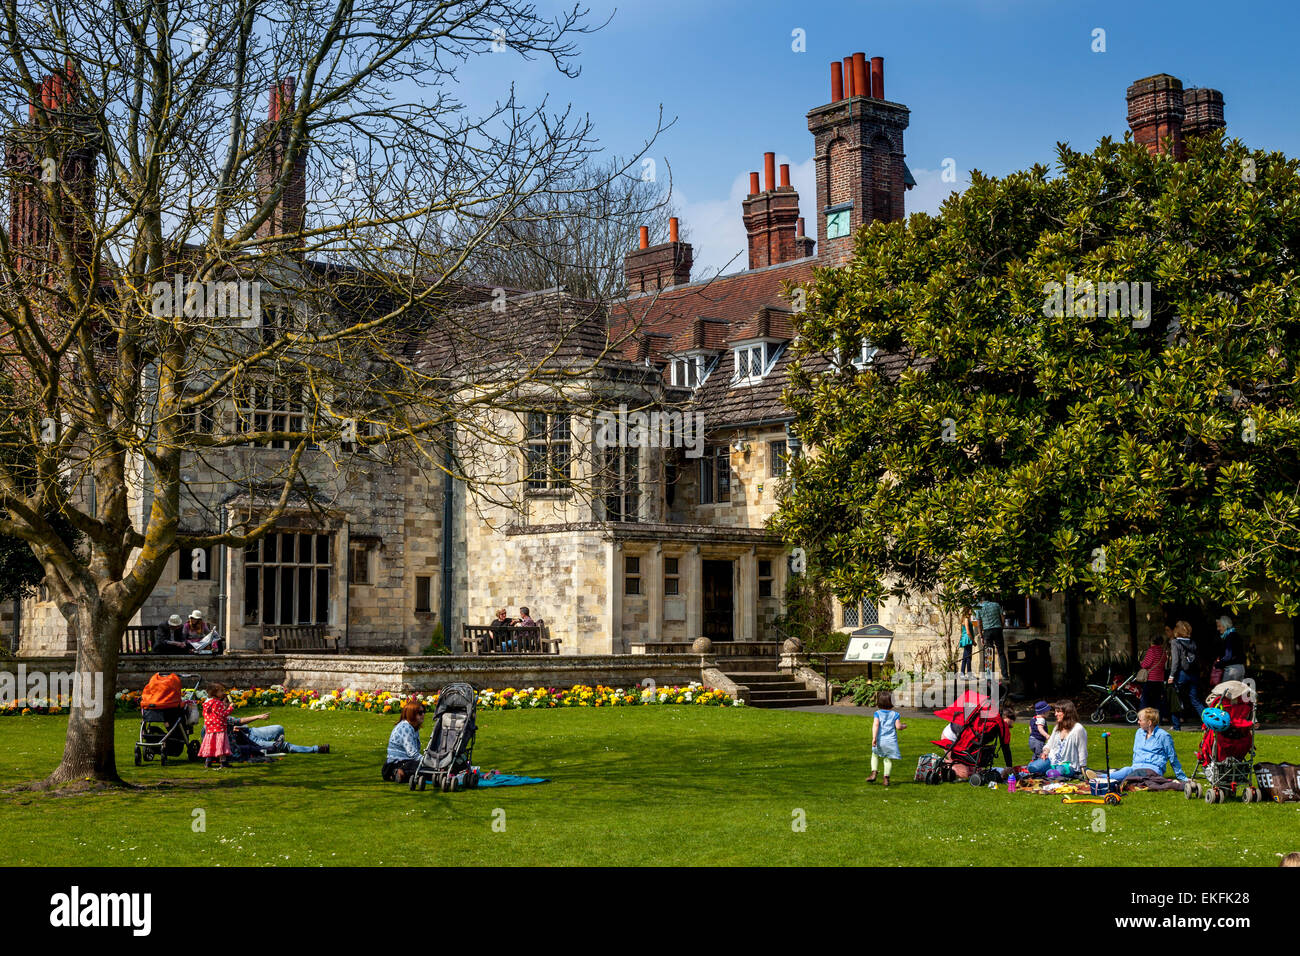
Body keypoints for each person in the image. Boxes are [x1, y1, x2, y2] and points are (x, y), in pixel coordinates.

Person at [1089, 708, 1186, 789]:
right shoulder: (1139, 733)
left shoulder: (1164, 736)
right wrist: (1134, 766)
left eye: (1140, 720)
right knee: (1127, 770)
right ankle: (1100, 777)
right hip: (1136, 767)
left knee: (1130, 773)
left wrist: (1182, 777)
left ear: (1149, 722)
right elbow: (1136, 752)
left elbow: (1172, 757)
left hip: (1152, 769)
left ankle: (1100, 777)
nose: (1138, 722)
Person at [1026, 700, 1088, 776]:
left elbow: (1082, 750)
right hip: (1052, 760)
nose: (1055, 714)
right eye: (1055, 712)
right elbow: (1050, 743)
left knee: (1053, 773)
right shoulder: (1057, 727)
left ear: (1067, 713)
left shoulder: (1078, 729)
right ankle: (1048, 769)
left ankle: (1049, 771)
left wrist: (1082, 767)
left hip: (1068, 764)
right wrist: (1045, 752)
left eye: (1058, 712)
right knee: (1032, 767)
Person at [868, 690, 906, 787]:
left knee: (875, 754)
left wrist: (874, 738)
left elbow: (876, 725)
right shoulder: (895, 714)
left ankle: (874, 772)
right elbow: (898, 727)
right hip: (890, 741)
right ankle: (886, 778)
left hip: (880, 740)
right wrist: (903, 726)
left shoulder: (877, 714)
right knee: (887, 759)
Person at [1167, 620, 1199, 731]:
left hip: (1181, 674)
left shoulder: (1175, 643)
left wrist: (1171, 676)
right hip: (1193, 674)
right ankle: (1208, 723)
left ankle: (1176, 726)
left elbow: (1175, 661)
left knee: (1175, 700)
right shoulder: (1192, 642)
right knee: (1195, 700)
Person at [383, 699, 425, 783]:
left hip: (399, 762)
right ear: (412, 714)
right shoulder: (406, 728)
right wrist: (427, 761)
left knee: (424, 767)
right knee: (426, 769)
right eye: (420, 713)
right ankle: (398, 773)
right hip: (398, 763)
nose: (423, 715)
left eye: (424, 712)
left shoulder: (413, 727)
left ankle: (398, 775)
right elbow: (412, 753)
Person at [239, 718, 330, 754]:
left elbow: (239, 721)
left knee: (279, 728)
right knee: (285, 745)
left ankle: (275, 749)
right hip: (246, 739)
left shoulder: (226, 713)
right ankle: (316, 749)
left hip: (251, 731)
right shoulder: (224, 717)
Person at [199, 682, 233, 769]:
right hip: (219, 727)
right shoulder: (218, 703)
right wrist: (230, 708)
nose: (223, 693)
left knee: (211, 745)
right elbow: (222, 714)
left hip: (210, 728)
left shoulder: (207, 704)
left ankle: (208, 762)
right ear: (215, 693)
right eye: (221, 691)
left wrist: (224, 707)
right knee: (221, 745)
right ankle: (223, 762)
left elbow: (214, 713)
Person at [1137, 632, 1168, 723]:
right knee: (1157, 701)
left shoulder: (1151, 650)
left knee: (1145, 700)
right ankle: (1158, 719)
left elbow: (1146, 664)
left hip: (1150, 679)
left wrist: (1141, 663)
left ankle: (1142, 719)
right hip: (1159, 680)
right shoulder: (1163, 652)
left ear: (1151, 641)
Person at [975, 597, 1008, 677]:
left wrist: (981, 636)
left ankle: (989, 676)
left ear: (981, 600)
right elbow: (1003, 617)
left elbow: (979, 624)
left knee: (988, 653)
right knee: (1001, 653)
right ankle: (1005, 675)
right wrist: (1002, 626)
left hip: (987, 632)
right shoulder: (996, 605)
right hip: (997, 630)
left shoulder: (979, 608)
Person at [1213, 616, 1245, 684]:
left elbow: (1228, 656)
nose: (1218, 629)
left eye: (1219, 626)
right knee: (1235, 693)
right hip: (1241, 668)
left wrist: (1218, 664)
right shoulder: (1236, 635)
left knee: (1224, 692)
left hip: (1232, 670)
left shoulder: (1229, 637)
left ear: (1225, 626)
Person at [958, 607, 975, 676]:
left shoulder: (967, 619)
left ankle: (962, 673)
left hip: (966, 639)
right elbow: (968, 632)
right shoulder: (966, 620)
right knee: (968, 657)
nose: (972, 611)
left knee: (965, 657)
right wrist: (973, 641)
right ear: (967, 611)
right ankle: (969, 674)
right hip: (967, 639)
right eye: (970, 609)